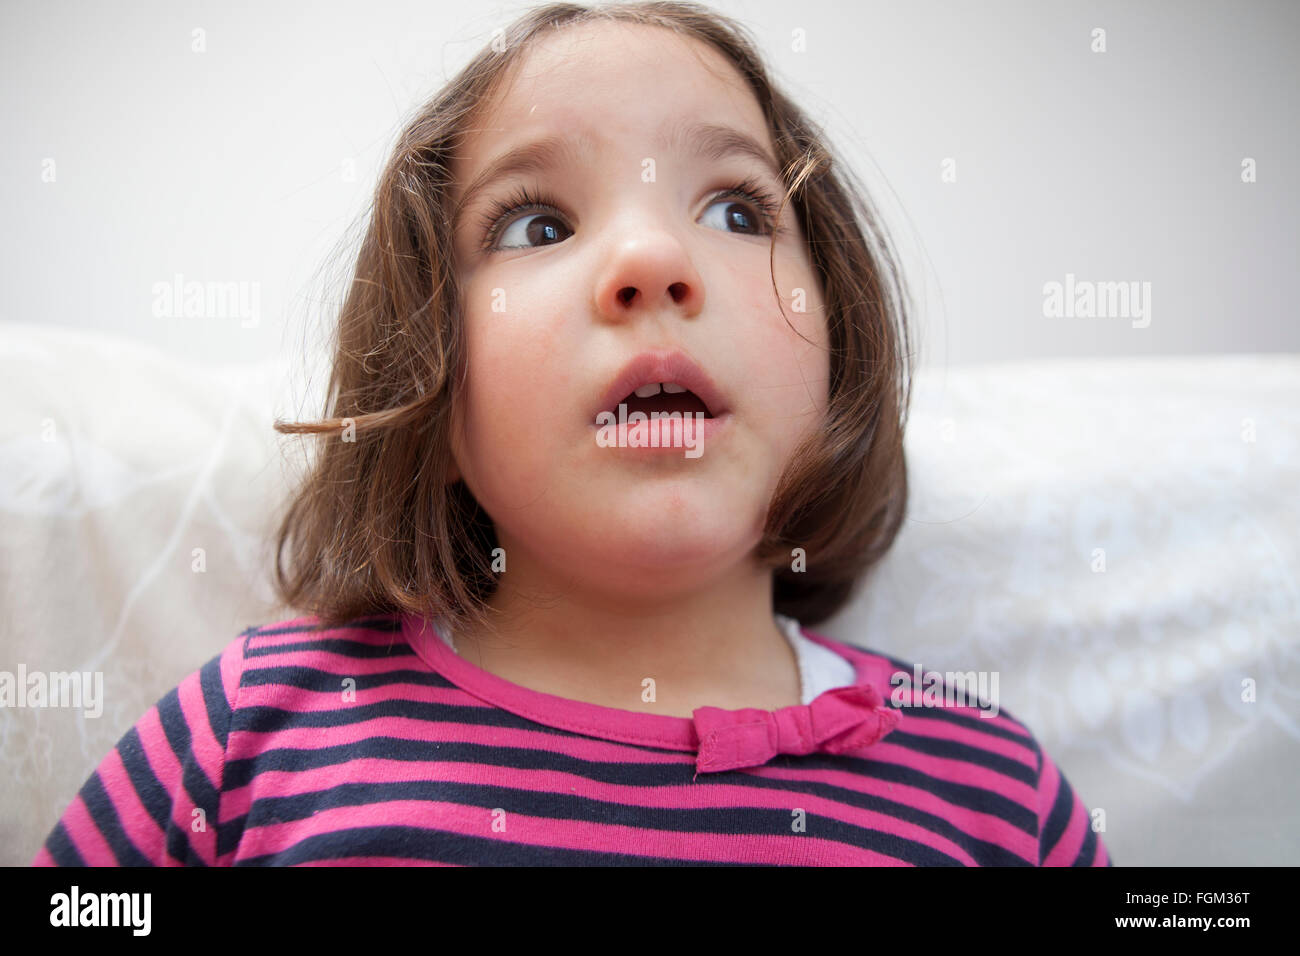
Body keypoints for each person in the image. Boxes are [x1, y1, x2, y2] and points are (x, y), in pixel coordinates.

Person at [33, 1, 1110, 866]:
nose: (650, 258)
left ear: (837, 354)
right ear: (428, 379)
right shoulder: (247, 732)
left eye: (738, 209)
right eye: (536, 224)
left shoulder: (991, 792)